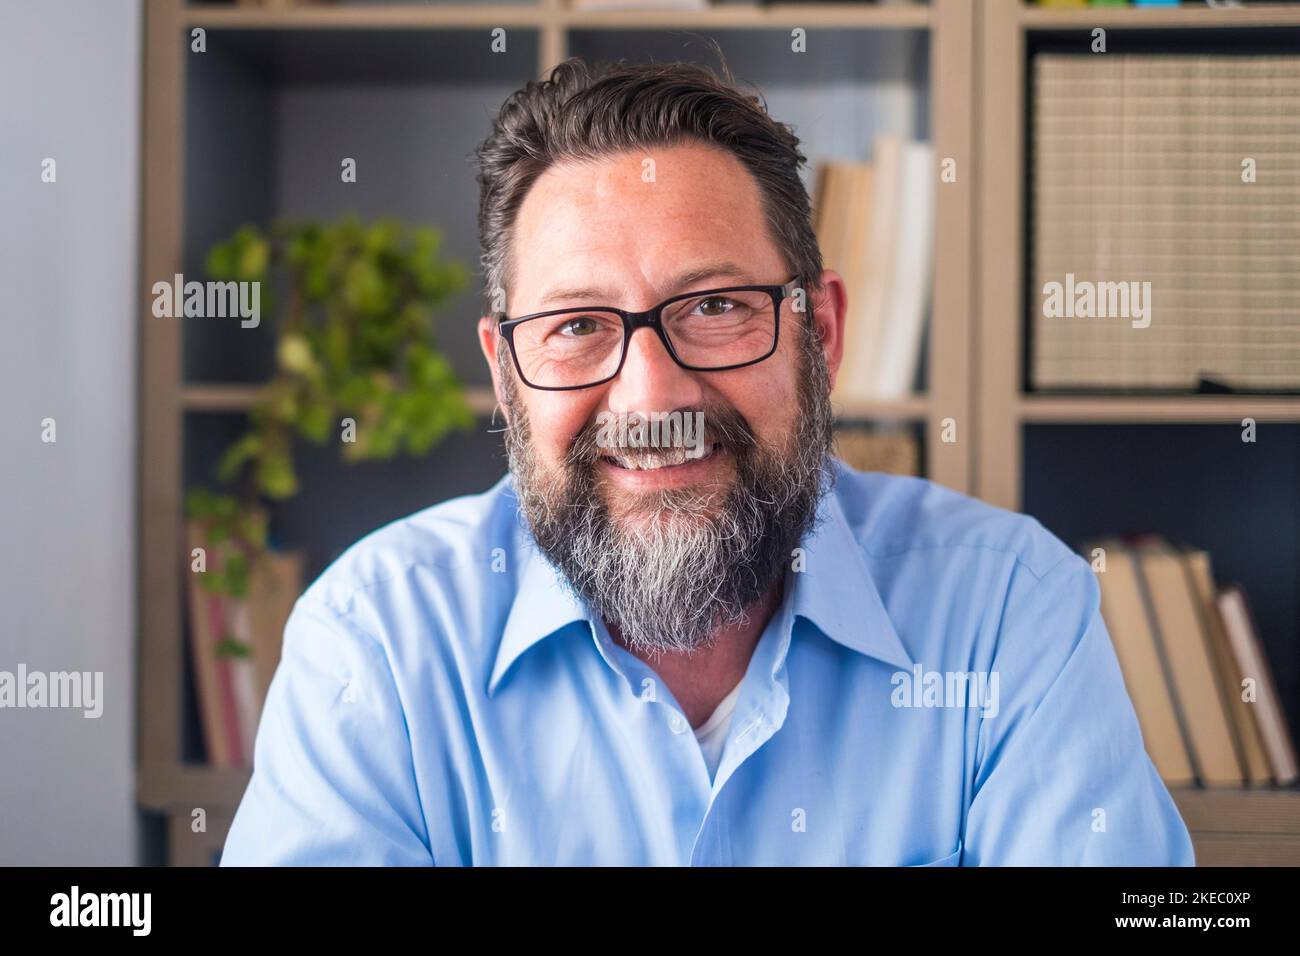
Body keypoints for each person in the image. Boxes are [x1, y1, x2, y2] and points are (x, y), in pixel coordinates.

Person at [221, 57, 1195, 866]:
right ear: (507, 374)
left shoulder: (1008, 613)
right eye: (576, 325)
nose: (650, 397)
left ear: (823, 333)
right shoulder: (377, 642)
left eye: (716, 307)